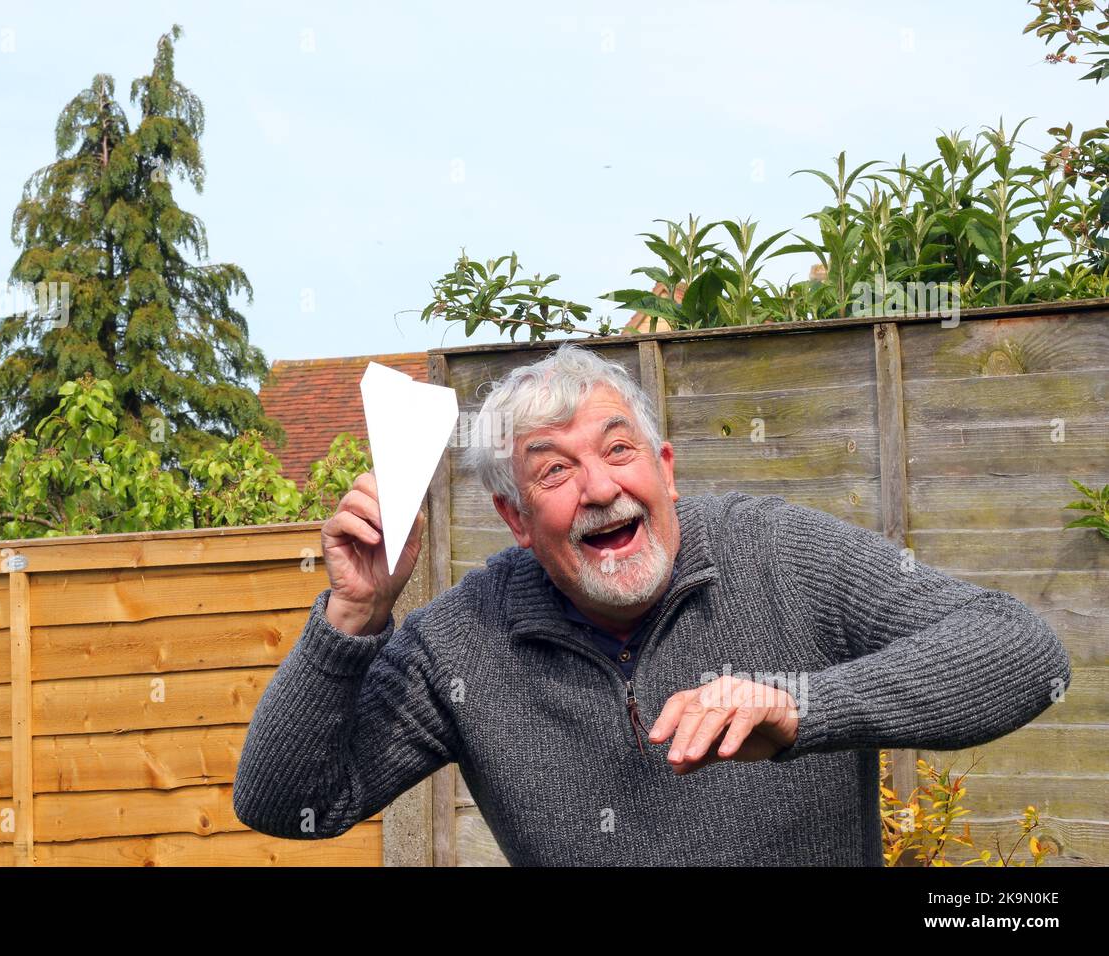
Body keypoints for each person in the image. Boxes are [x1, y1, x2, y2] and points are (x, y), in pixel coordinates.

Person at [233, 342, 1071, 865]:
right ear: (515, 519)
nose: (600, 488)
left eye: (618, 450)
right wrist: (352, 617)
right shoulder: (461, 641)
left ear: (665, 470)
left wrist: (801, 709)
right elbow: (284, 803)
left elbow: (1023, 653)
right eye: (554, 470)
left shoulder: (778, 552)